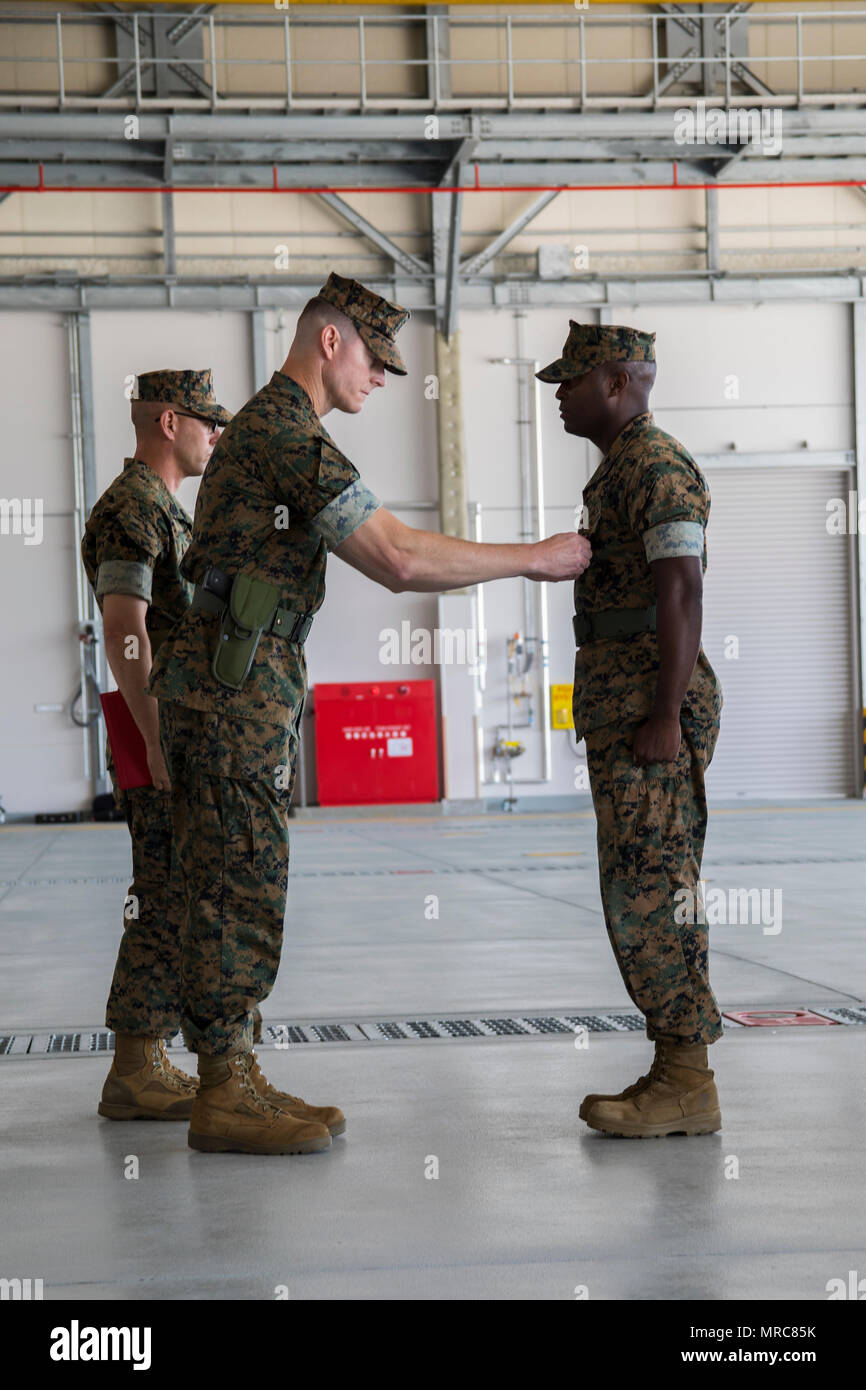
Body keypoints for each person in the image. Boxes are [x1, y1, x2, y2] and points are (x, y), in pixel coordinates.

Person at [148, 272, 593, 1156]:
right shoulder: (283, 432)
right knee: (239, 878)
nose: (383, 378)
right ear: (328, 341)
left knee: (237, 875)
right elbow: (395, 557)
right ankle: (224, 1090)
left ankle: (232, 1070)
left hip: (239, 682)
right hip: (235, 691)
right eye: (375, 359)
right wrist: (532, 559)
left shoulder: (277, 429)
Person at [537, 320, 724, 1138]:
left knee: (654, 887)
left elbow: (681, 589)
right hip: (625, 702)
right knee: (638, 885)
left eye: (570, 381)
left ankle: (687, 1078)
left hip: (650, 705)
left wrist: (663, 715)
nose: (558, 393)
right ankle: (673, 1066)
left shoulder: (654, 464)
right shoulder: (618, 471)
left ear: (616, 382)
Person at [81, 368, 230, 1121]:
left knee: (173, 892)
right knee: (163, 895)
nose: (216, 435)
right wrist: (157, 740)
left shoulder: (162, 509)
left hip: (172, 725)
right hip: (156, 729)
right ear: (169, 422)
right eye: (208, 421)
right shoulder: (132, 509)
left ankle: (146, 1057)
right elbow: (123, 628)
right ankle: (136, 1065)